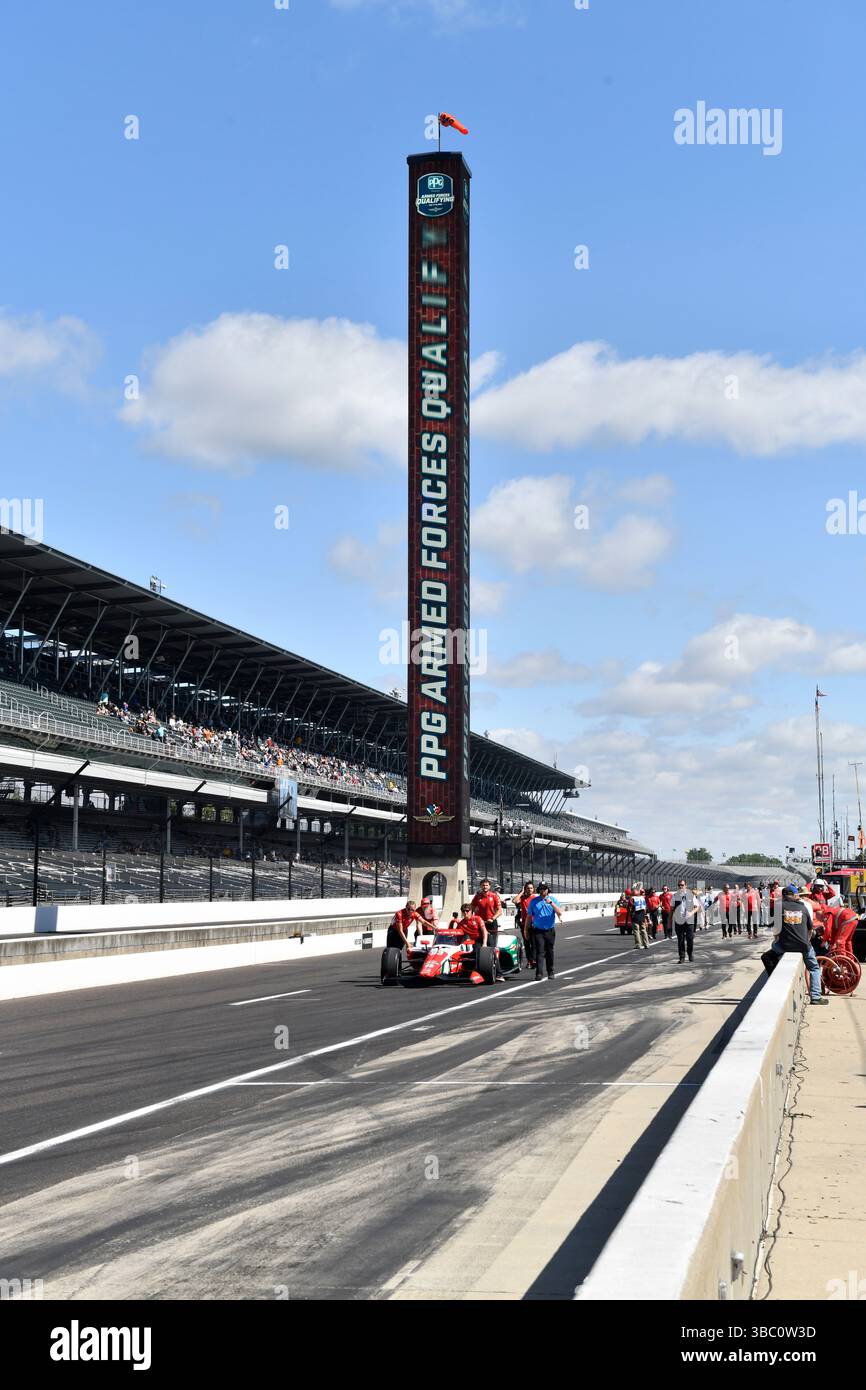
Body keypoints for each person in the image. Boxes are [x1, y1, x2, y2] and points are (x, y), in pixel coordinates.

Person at [767, 884, 827, 1005]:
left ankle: (775, 980)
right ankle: (815, 997)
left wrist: (777, 940)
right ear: (795, 896)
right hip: (804, 946)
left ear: (784, 896)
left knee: (772, 948)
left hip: (785, 946)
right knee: (814, 968)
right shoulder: (804, 908)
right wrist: (806, 941)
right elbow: (810, 930)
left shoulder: (779, 907)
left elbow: (776, 930)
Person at [525, 882, 561, 980]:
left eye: (545, 889)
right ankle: (539, 973)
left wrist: (551, 903)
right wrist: (526, 930)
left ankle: (551, 971)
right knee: (539, 952)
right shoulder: (534, 901)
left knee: (550, 951)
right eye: (541, 889)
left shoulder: (553, 900)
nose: (543, 890)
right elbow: (529, 916)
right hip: (538, 931)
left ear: (548, 890)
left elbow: (559, 912)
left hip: (549, 930)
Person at [471, 878, 505, 980]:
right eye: (483, 885)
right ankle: (478, 972)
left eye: (486, 885)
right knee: (477, 948)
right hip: (480, 924)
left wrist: (493, 918)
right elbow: (472, 906)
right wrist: (475, 914)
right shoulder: (477, 896)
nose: (485, 887)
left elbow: (499, 910)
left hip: (491, 925)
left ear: (489, 886)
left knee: (491, 948)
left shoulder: (494, 896)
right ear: (481, 886)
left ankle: (499, 973)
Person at [672, 879, 697, 962]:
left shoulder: (691, 895)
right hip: (679, 921)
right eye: (679, 885)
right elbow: (671, 910)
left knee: (690, 939)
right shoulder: (675, 895)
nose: (680, 886)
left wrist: (691, 913)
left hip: (689, 920)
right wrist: (669, 924)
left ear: (686, 886)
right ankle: (681, 957)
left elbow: (697, 907)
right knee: (681, 940)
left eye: (682, 885)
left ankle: (690, 954)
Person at [512, 881, 536, 967]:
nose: (529, 890)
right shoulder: (522, 898)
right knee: (526, 943)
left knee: (533, 942)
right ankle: (530, 961)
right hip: (524, 924)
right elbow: (514, 900)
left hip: (534, 924)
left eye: (531, 888)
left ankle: (533, 959)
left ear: (533, 889)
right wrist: (521, 892)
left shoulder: (535, 898)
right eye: (527, 888)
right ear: (525, 889)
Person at [628, 881, 650, 950]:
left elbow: (629, 907)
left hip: (635, 916)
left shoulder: (632, 899)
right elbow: (645, 908)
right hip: (642, 916)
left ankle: (638, 944)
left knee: (636, 931)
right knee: (643, 930)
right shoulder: (642, 898)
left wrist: (630, 912)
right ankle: (646, 944)